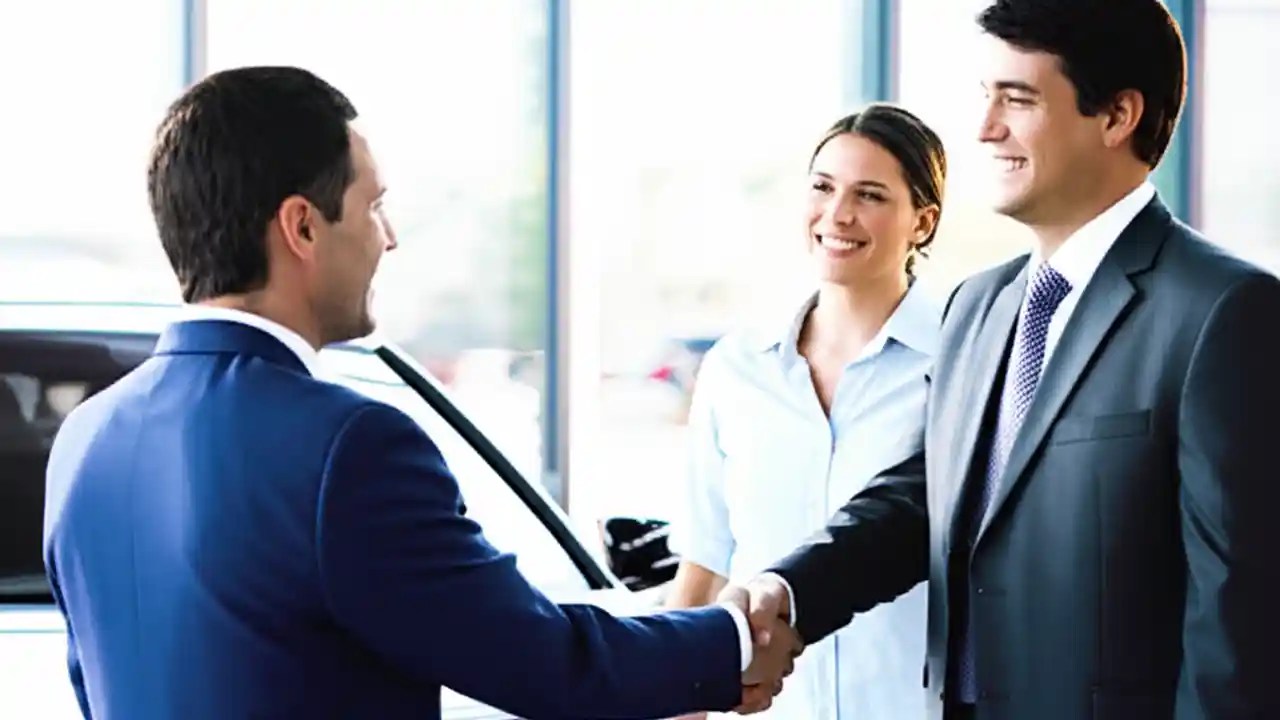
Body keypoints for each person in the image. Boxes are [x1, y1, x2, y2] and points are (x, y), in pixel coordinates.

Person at [41, 66, 800, 720]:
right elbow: (535, 657)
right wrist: (731, 635)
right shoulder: (348, 446)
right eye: (373, 206)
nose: (389, 238)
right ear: (302, 227)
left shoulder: (87, 437)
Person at [725, 1, 1280, 719]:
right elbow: (926, 496)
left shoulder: (1223, 312)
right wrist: (792, 592)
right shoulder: (977, 307)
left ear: (1117, 117)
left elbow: (1241, 619)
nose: (985, 128)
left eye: (1017, 100)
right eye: (984, 98)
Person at [664, 104, 945, 720]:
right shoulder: (738, 368)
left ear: (922, 222)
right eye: (823, 187)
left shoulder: (962, 365)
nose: (837, 214)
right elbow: (704, 563)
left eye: (869, 195)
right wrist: (674, 698)